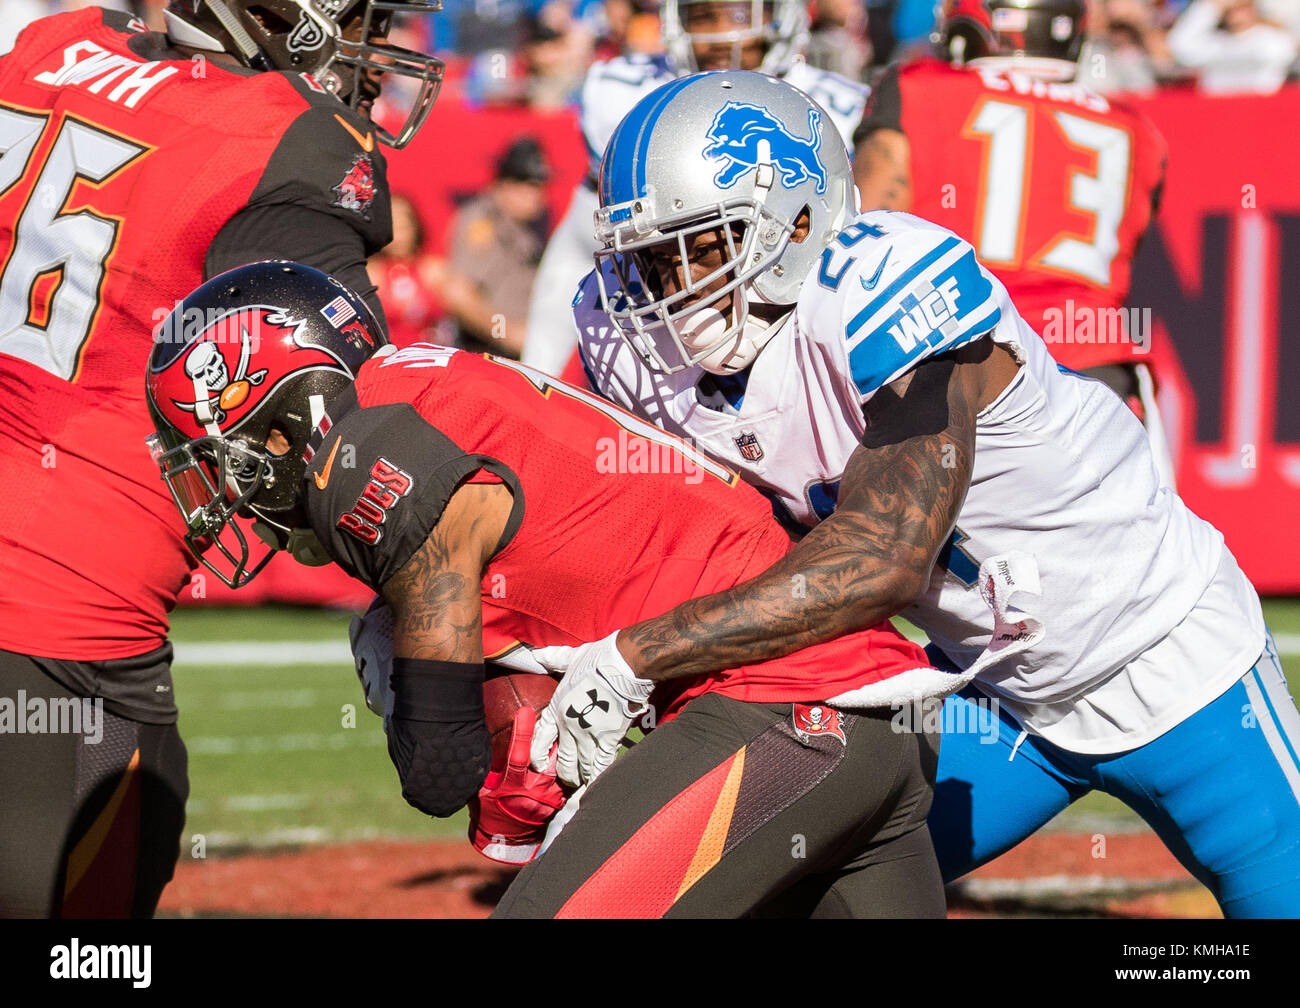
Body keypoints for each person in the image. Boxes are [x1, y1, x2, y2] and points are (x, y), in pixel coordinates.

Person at [549, 70, 1300, 918]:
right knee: (795, 889)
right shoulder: (639, 341)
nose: (661, 287)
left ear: (796, 221)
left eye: (698, 247)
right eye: (646, 258)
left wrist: (635, 656)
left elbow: (885, 559)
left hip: (1168, 651)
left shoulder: (880, 280)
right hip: (988, 686)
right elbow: (641, 528)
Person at [144, 260, 952, 919]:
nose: (227, 490)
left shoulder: (368, 453)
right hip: (873, 719)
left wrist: (436, 683)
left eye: (226, 454)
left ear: (292, 416)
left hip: (787, 709)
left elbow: (441, 770)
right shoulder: (421, 388)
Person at [0, 0, 442, 918]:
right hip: (63, 623)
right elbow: (339, 431)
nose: (377, 46)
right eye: (361, 13)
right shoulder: (295, 145)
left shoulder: (55, 45)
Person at [852, 0, 1176, 483]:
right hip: (1094, 365)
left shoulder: (918, 86)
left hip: (960, 359)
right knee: (1145, 550)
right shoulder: (1137, 129)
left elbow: (865, 228)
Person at [521, 0, 871, 378]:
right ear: (673, 19)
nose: (723, 34)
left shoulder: (839, 103)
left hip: (781, 286)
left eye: (741, 14)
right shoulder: (619, 89)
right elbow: (588, 226)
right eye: (702, 15)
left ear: (782, 16)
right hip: (663, 283)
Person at [441, 136, 552, 359]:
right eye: (529, 186)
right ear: (505, 185)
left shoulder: (531, 223)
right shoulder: (483, 222)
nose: (537, 195)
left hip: (521, 356)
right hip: (487, 354)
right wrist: (505, 333)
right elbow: (459, 294)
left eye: (540, 186)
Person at [1167, 0, 1298, 94]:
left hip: (1260, 111)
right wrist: (1210, 6)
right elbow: (1179, 46)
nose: (1235, 11)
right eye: (1230, 7)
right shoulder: (1213, 42)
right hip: (1217, 113)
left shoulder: (1272, 39)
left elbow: (1283, 53)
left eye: (1241, 6)